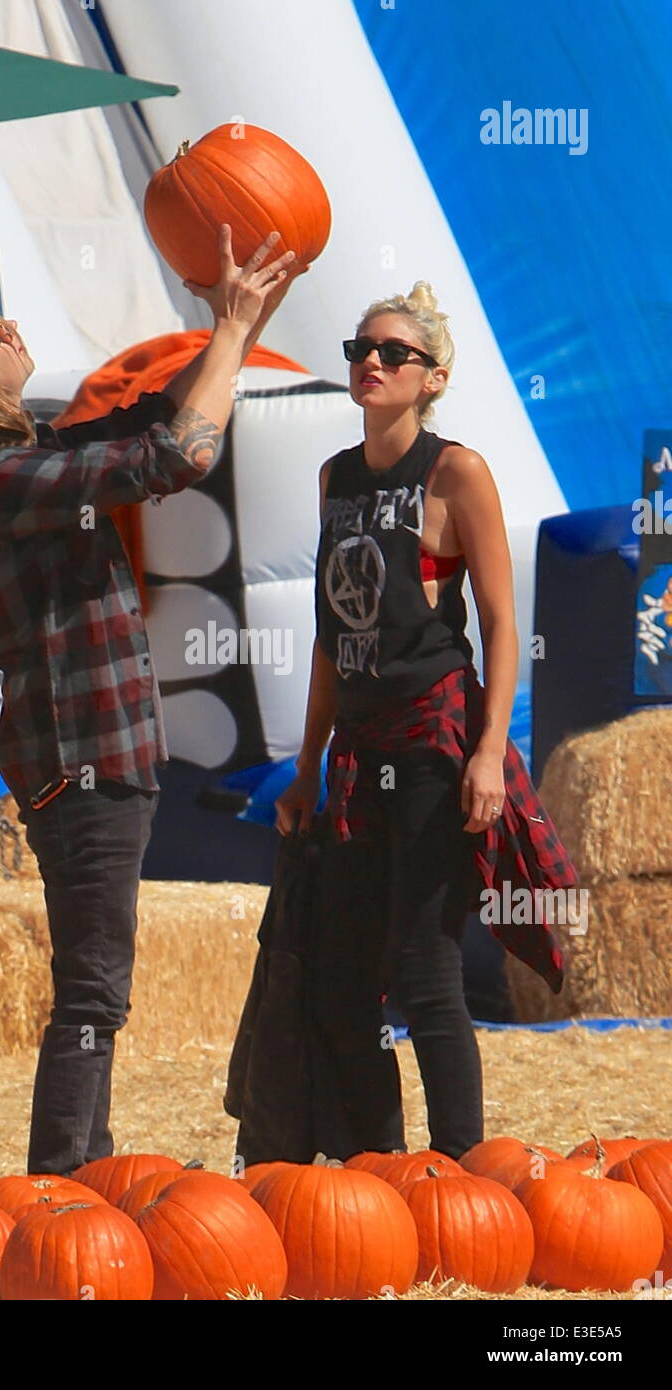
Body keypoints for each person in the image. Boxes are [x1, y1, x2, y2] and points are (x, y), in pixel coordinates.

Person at [0, 225, 299, 1176]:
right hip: (81, 757)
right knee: (94, 992)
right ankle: (62, 1193)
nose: (11, 325)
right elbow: (175, 457)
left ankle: (82, 1176)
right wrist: (229, 334)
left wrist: (231, 322)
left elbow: (157, 416)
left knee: (96, 985)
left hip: (100, 752)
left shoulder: (31, 455)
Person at [274, 280, 573, 1161]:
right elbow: (333, 640)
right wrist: (304, 766)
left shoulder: (456, 472)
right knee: (344, 982)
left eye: (392, 353)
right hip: (360, 755)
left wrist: (491, 748)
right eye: (360, 350)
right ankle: (379, 1169)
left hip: (435, 745)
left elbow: (501, 623)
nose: (370, 363)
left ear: (432, 377)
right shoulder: (334, 478)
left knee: (426, 970)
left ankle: (462, 1177)